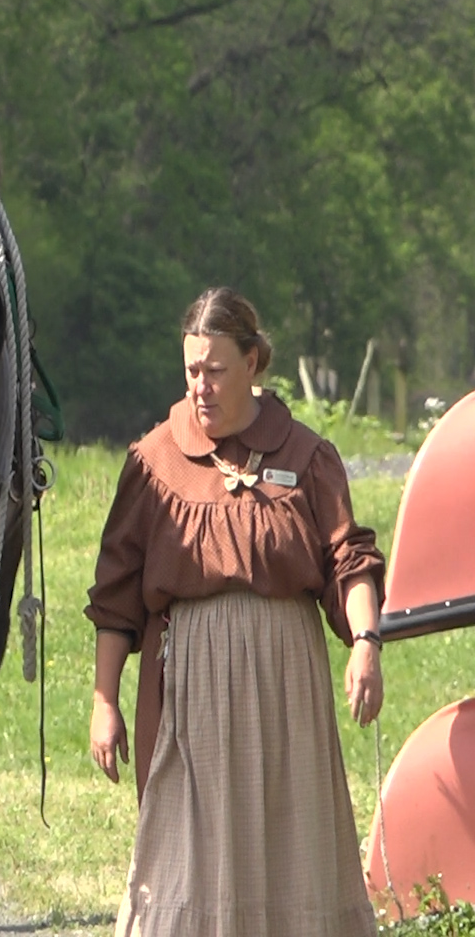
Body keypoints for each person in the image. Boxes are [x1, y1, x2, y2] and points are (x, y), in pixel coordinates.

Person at [86, 286, 384, 937]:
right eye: (191, 369)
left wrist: (365, 641)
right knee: (182, 860)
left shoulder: (307, 457)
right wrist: (105, 701)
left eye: (215, 370)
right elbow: (117, 594)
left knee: (290, 851)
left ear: (253, 364)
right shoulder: (153, 463)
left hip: (287, 690)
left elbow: (348, 559)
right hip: (190, 694)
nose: (201, 386)